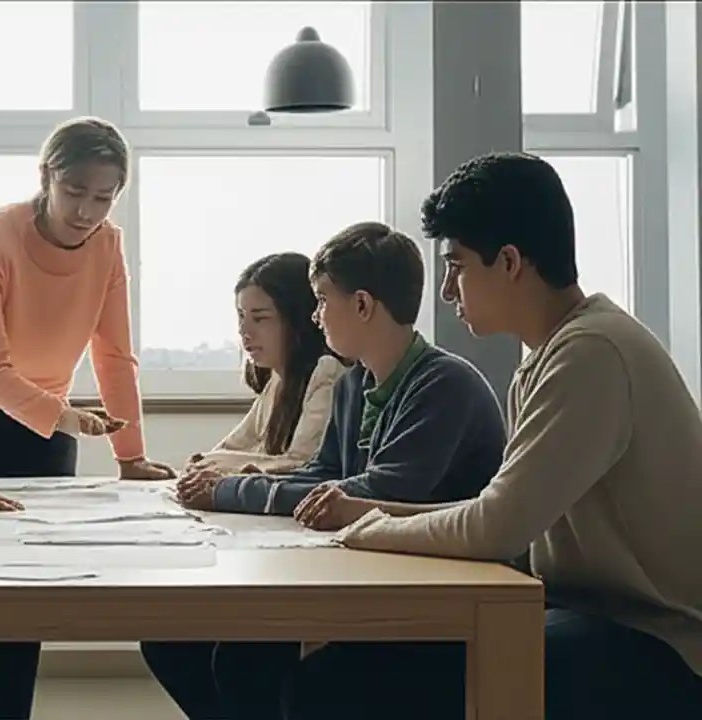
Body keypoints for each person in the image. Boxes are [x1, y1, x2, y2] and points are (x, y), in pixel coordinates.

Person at [295, 153, 702, 719]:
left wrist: (375, 528)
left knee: (342, 683)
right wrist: (366, 511)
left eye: (456, 266)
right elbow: (504, 516)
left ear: (509, 261)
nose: (445, 290)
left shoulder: (591, 354)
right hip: (584, 614)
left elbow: (498, 527)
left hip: (657, 643)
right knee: (346, 669)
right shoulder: (548, 358)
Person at [153, 221, 506, 720]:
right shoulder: (354, 383)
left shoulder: (445, 384)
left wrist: (232, 490)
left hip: (437, 602)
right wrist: (230, 490)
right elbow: (322, 474)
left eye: (322, 300)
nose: (316, 317)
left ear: (362, 305)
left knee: (285, 678)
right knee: (183, 644)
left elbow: (374, 491)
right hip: (369, 575)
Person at [0, 116, 176, 719]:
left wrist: (130, 456)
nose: (86, 211)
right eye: (75, 192)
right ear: (46, 178)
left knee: (28, 590)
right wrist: (71, 420)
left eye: (103, 198)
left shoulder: (108, 245)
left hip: (46, 423)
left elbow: (113, 354)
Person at [181, 252, 347, 476]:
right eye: (241, 316)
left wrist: (213, 464)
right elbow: (231, 448)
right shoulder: (276, 379)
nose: (244, 331)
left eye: (259, 318)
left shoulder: (326, 373)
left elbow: (303, 462)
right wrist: (203, 463)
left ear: (297, 320)